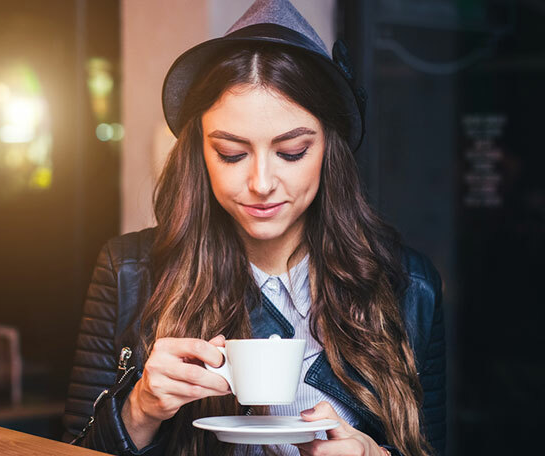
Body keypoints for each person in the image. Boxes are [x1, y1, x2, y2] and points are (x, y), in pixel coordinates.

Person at [62, 1, 445, 455]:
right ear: (199, 153)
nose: (261, 184)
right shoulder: (128, 273)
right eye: (231, 154)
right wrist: (140, 408)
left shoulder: (408, 287)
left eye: (291, 152)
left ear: (329, 150)